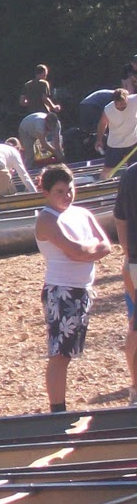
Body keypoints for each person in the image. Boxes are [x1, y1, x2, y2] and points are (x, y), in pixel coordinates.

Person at [34, 164, 113, 412]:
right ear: (46, 192)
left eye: (69, 190)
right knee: (60, 354)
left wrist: (86, 249)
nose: (66, 196)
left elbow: (106, 245)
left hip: (82, 289)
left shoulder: (82, 214)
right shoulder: (47, 219)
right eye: (59, 191)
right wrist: (88, 248)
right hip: (62, 290)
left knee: (68, 352)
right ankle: (57, 409)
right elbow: (76, 252)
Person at [115, 160, 137, 404]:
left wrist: (128, 253)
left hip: (135, 261)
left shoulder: (130, 174)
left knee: (135, 325)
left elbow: (120, 219)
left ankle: (136, 390)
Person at [97, 88, 137, 178]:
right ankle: (101, 185)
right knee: (108, 169)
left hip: (133, 142)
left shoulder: (134, 100)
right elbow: (102, 123)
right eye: (117, 105)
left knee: (134, 168)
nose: (120, 107)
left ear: (127, 99)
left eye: (123, 105)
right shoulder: (108, 109)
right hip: (115, 144)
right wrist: (99, 140)